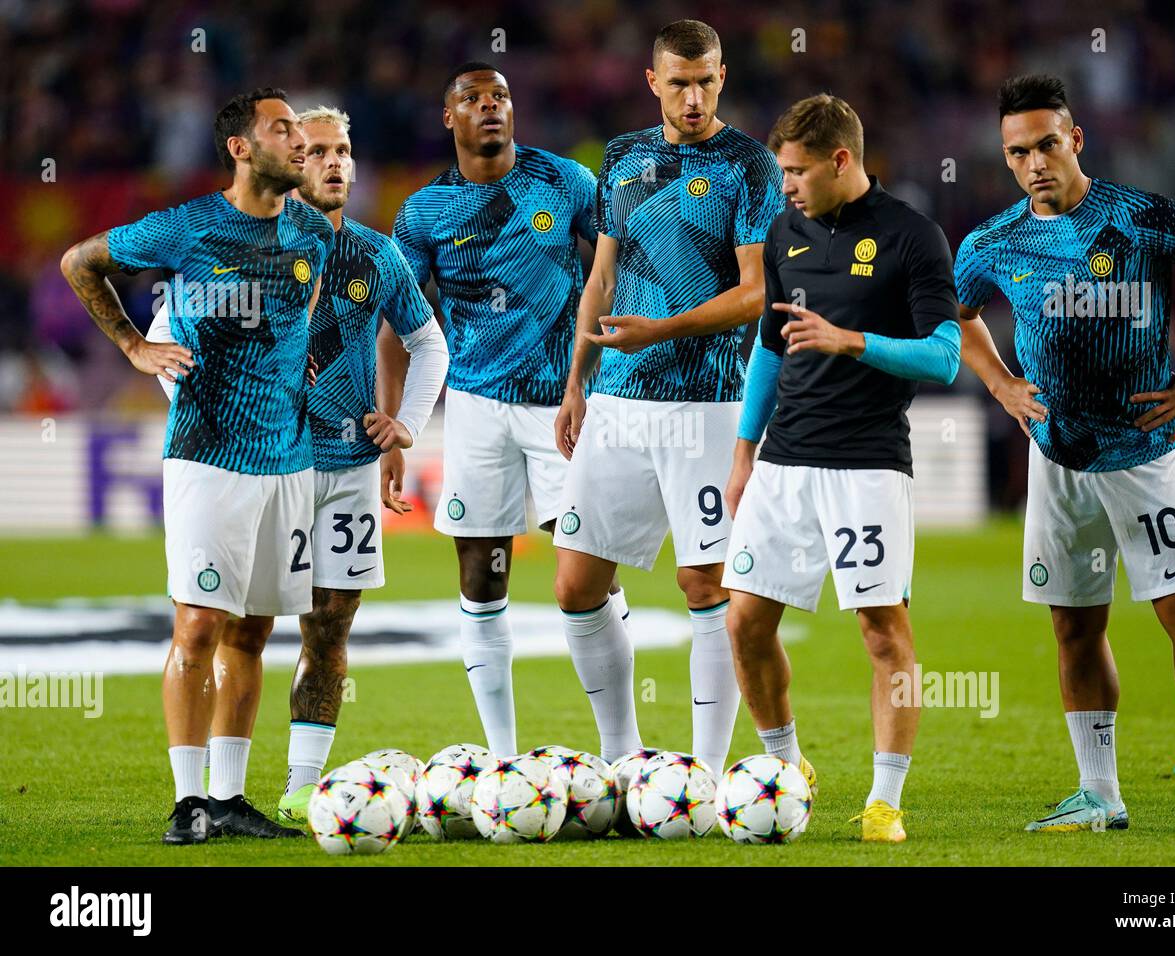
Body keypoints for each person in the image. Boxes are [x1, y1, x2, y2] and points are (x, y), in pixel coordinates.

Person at [954, 74, 1175, 834]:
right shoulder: (992, 242)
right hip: (1058, 456)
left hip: (1147, 450)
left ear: (1076, 140)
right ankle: (1100, 794)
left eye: (1045, 144)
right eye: (1016, 152)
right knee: (1074, 627)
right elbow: (955, 313)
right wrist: (1002, 386)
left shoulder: (1142, 217)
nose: (1034, 163)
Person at [146, 106, 450, 823]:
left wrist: (404, 424)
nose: (336, 163)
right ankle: (216, 795)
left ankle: (302, 786)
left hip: (345, 467)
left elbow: (428, 342)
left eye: (344, 149)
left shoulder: (377, 255)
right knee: (241, 628)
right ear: (284, 160)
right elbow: (165, 340)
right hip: (263, 466)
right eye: (317, 151)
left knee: (330, 626)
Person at [61, 88, 334, 843]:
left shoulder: (312, 231)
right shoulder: (187, 227)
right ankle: (187, 804)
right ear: (242, 148)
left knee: (253, 634)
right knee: (197, 628)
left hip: (290, 462)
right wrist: (134, 346)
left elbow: (297, 323)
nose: (301, 143)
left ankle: (230, 797)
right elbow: (80, 262)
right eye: (283, 131)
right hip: (208, 458)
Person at [722, 94, 961, 842]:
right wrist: (743, 451)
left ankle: (886, 800)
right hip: (785, 459)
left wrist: (852, 341)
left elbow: (945, 357)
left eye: (796, 171)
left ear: (841, 161)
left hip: (866, 464)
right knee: (745, 623)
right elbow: (770, 345)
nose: (785, 185)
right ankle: (787, 768)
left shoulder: (911, 237)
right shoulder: (783, 231)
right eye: (780, 172)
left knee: (882, 630)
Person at [552, 19, 784, 775]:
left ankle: (706, 775)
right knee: (576, 583)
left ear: (723, 77)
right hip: (617, 401)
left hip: (708, 402)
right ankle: (621, 754)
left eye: (706, 80)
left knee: (702, 581)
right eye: (678, 82)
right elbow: (601, 279)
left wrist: (662, 330)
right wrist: (575, 383)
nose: (693, 96)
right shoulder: (621, 158)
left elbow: (756, 294)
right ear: (652, 81)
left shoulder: (749, 165)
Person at [392, 63, 612, 757]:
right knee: (480, 575)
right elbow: (396, 321)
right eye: (472, 99)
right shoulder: (424, 213)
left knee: (585, 569)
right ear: (448, 118)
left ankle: (621, 751)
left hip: (562, 407)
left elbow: (620, 266)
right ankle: (503, 758)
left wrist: (608, 371)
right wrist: (396, 424)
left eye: (501, 97)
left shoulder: (566, 184)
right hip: (477, 410)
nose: (490, 107)